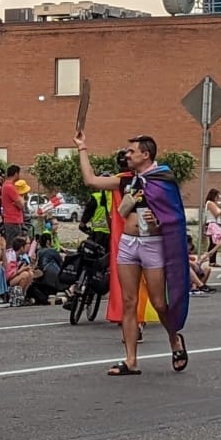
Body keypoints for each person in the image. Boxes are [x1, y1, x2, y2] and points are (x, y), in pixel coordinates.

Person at [81, 131, 190, 376]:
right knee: (129, 303)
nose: (127, 155)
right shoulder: (127, 180)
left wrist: (159, 220)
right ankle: (131, 360)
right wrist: (82, 148)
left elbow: (175, 218)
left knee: (159, 302)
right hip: (129, 243)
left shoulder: (163, 180)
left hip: (153, 244)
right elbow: (91, 181)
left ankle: (174, 339)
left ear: (145, 154)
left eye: (131, 151)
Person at [0, 163, 28, 247]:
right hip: (13, 221)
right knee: (13, 245)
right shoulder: (10, 187)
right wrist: (21, 201)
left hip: (11, 220)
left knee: (12, 244)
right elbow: (21, 205)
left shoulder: (6, 185)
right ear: (16, 174)